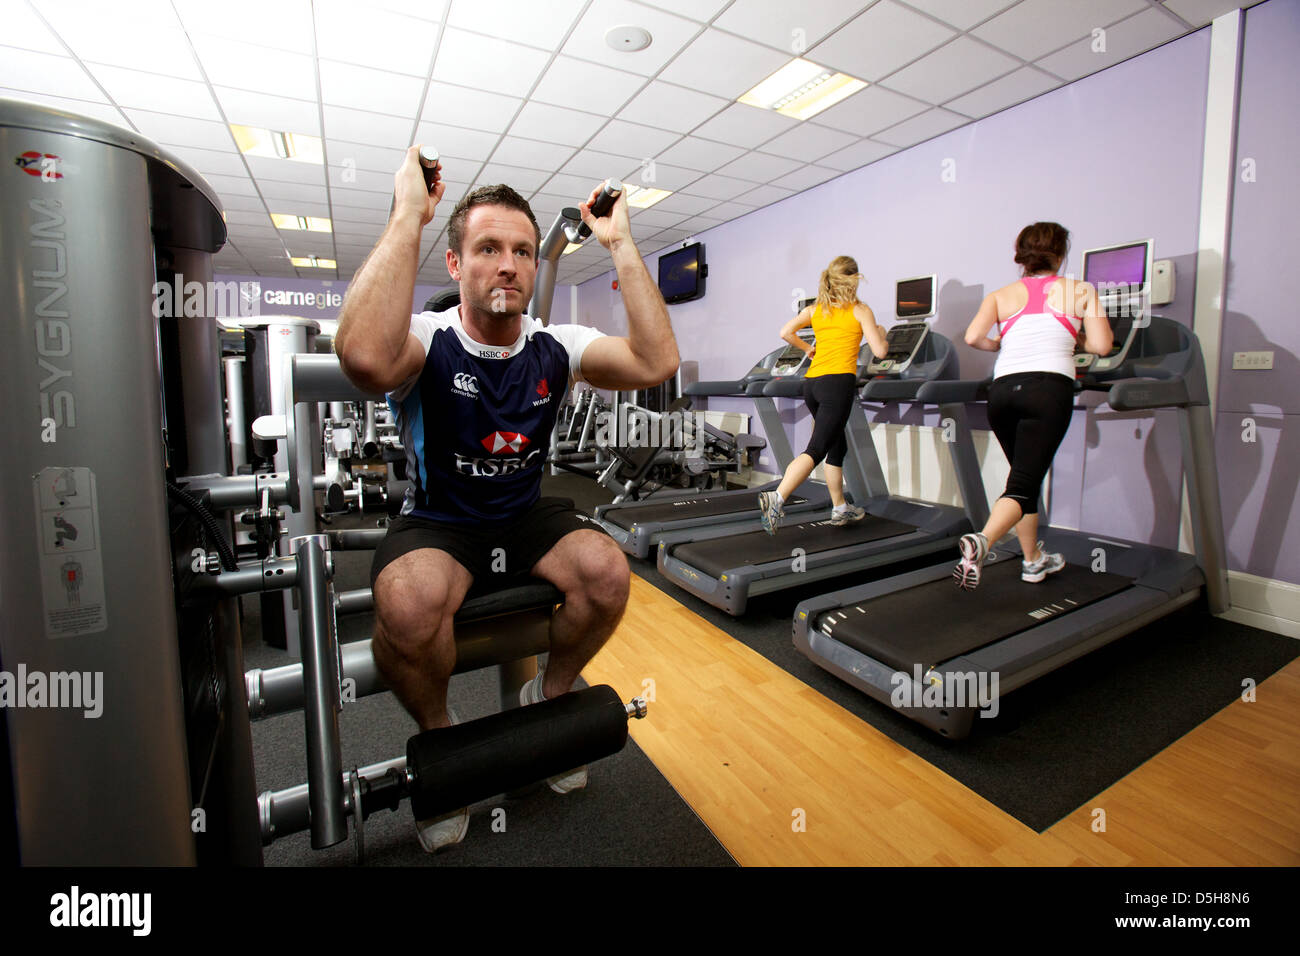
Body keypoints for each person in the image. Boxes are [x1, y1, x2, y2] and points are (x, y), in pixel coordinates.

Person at [333, 146, 679, 850]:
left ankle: (550, 696)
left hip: (524, 515)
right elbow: (364, 359)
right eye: (488, 248)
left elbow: (655, 363)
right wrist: (409, 215)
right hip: (440, 520)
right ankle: (445, 746)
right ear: (456, 265)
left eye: (522, 251)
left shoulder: (558, 345)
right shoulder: (428, 342)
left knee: (608, 571)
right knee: (406, 602)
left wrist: (620, 243)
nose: (510, 263)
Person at [953, 222, 1112, 589]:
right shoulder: (1081, 290)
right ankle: (984, 541)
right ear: (1059, 254)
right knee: (1023, 483)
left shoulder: (1000, 294)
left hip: (1003, 391)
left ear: (1022, 255)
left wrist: (1001, 345)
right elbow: (1102, 347)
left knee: (1023, 478)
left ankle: (1032, 561)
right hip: (1047, 390)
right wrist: (1075, 336)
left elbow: (974, 337)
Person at [758, 256, 888, 534]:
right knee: (817, 448)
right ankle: (777, 498)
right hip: (837, 384)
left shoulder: (818, 310)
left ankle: (840, 507)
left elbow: (785, 332)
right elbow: (880, 352)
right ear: (853, 279)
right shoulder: (860, 310)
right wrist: (881, 332)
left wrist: (807, 348)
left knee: (836, 446)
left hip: (812, 384)